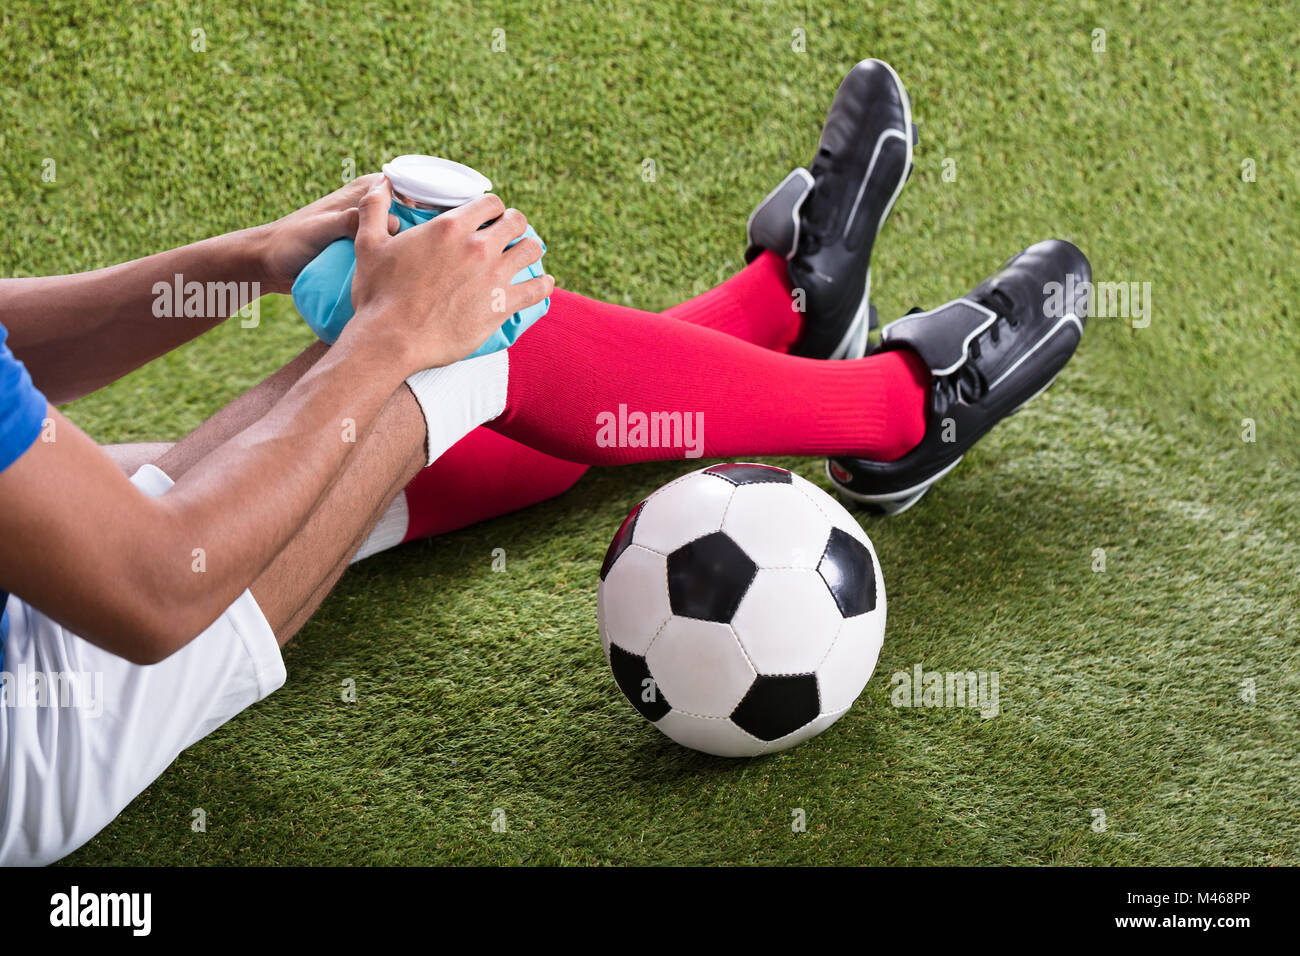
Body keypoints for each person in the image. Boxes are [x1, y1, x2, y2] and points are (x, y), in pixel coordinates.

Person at [0, 60, 1088, 864]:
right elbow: (157, 585)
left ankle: (786, 311)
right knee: (459, 348)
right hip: (40, 729)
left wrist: (254, 255)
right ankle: (891, 412)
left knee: (393, 361)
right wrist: (389, 340)